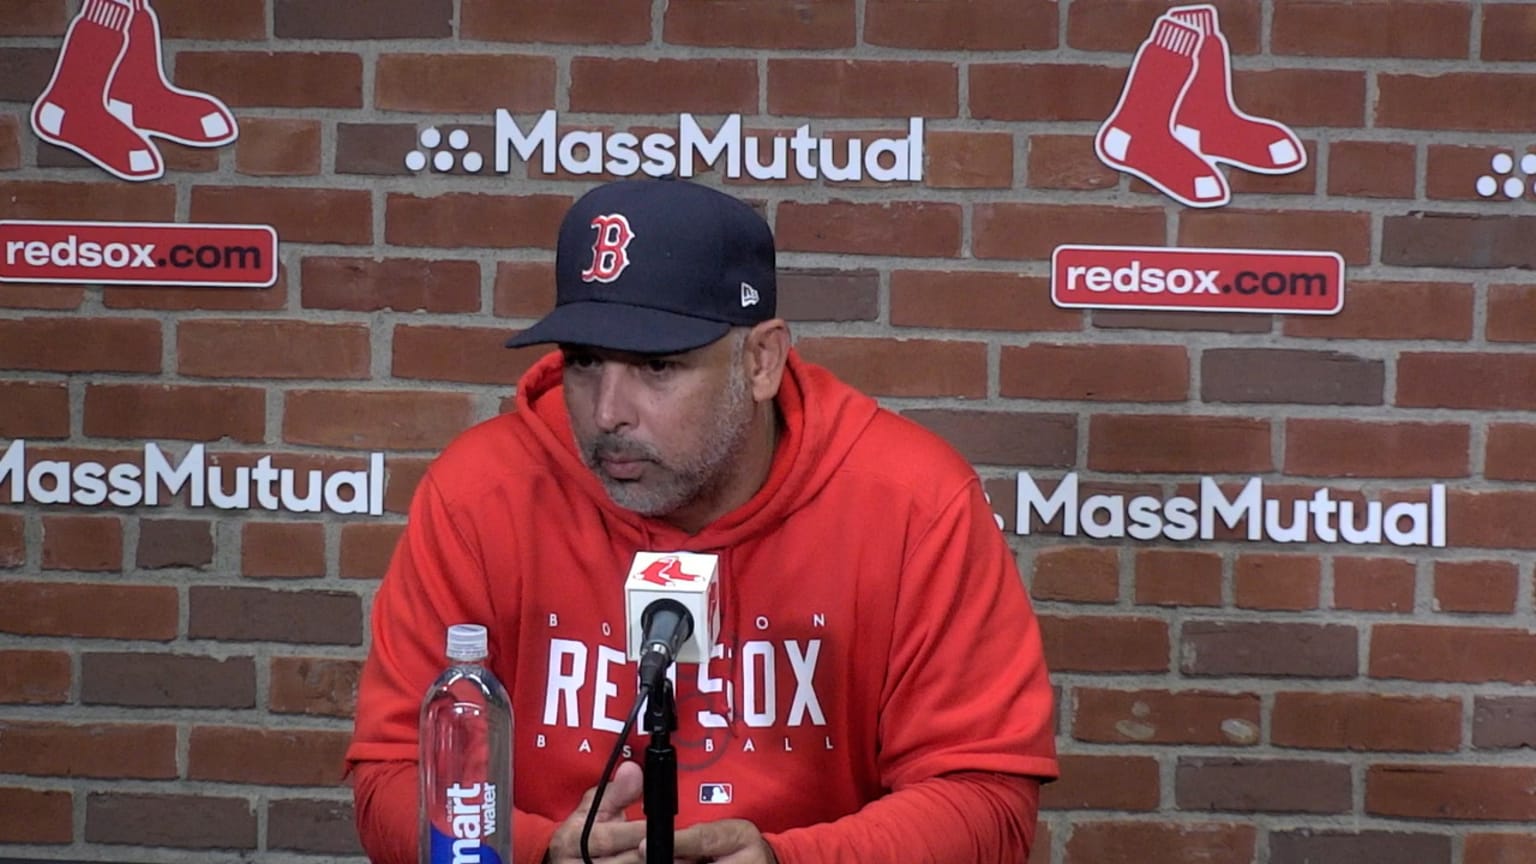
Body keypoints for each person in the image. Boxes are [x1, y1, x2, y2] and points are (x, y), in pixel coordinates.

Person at [346, 178, 1059, 864]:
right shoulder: (480, 494)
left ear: (760, 360)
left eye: (657, 367)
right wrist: (540, 855)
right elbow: (393, 779)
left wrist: (789, 860)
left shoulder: (913, 505)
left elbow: (986, 798)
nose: (606, 412)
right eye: (585, 361)